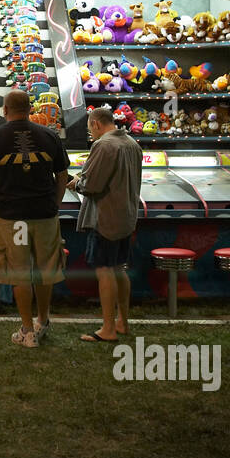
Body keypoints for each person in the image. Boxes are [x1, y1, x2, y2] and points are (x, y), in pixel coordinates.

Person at [0, 90, 70, 347]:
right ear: (29, 109)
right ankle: (43, 321)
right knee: (45, 270)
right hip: (45, 216)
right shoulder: (49, 136)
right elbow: (62, 175)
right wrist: (55, 204)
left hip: (12, 219)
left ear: (5, 110)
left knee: (20, 272)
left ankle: (27, 330)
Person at [75, 106, 143, 343]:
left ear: (95, 124)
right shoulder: (132, 144)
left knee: (104, 270)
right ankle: (122, 322)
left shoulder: (103, 145)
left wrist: (76, 183)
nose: (90, 134)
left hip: (105, 218)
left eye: (89, 129)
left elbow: (92, 184)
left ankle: (107, 329)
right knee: (118, 268)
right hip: (126, 216)